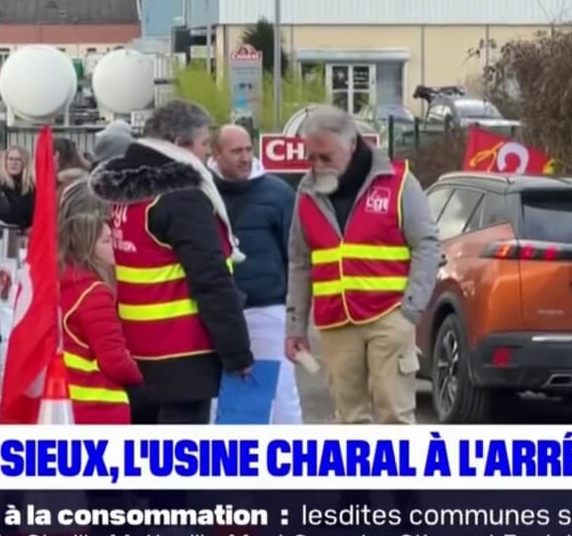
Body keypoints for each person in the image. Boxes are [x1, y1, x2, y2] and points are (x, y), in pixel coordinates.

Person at [89, 100, 254, 425]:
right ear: (179, 144)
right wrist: (237, 352)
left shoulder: (128, 193)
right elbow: (211, 279)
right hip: (184, 350)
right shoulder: (182, 196)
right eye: (204, 143)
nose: (207, 153)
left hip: (136, 345)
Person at [285, 107, 439, 425]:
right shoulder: (307, 192)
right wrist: (296, 326)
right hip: (335, 321)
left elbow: (427, 245)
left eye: (326, 157)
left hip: (389, 315)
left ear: (352, 144)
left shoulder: (398, 182)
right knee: (349, 417)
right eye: (311, 158)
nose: (317, 166)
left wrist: (411, 310)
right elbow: (300, 261)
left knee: (394, 415)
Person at [210, 124, 302, 424]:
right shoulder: (201, 192)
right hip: (217, 310)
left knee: (281, 393)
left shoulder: (278, 193)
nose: (245, 157)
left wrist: (293, 309)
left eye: (249, 149)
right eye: (236, 151)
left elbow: (295, 255)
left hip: (268, 308)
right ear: (216, 154)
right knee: (216, 399)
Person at [58, 179, 142, 424]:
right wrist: (144, 375)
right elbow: (115, 361)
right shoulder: (94, 292)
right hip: (96, 404)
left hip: (66, 399)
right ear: (87, 244)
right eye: (107, 240)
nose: (117, 244)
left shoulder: (62, 280)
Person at [0, 145, 36, 230]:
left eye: (18, 159)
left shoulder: (31, 187)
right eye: (10, 159)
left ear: (25, 163)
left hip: (25, 234)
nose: (13, 163)